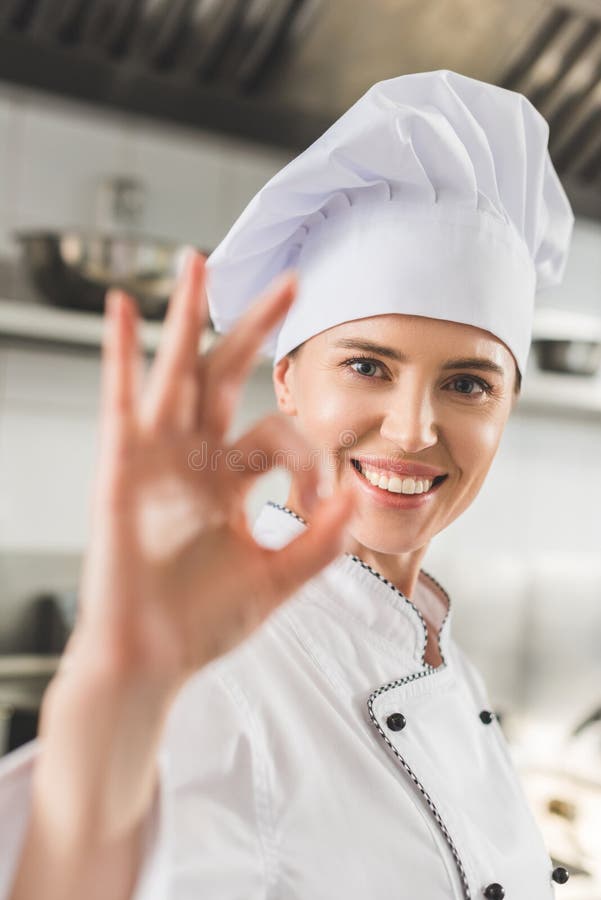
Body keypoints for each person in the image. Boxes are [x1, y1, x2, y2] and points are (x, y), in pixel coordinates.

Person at [0, 68, 574, 900]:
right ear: (287, 379)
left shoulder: (425, 638)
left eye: (468, 383)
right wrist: (120, 679)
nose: (414, 429)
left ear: (508, 403)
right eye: (367, 366)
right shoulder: (216, 670)